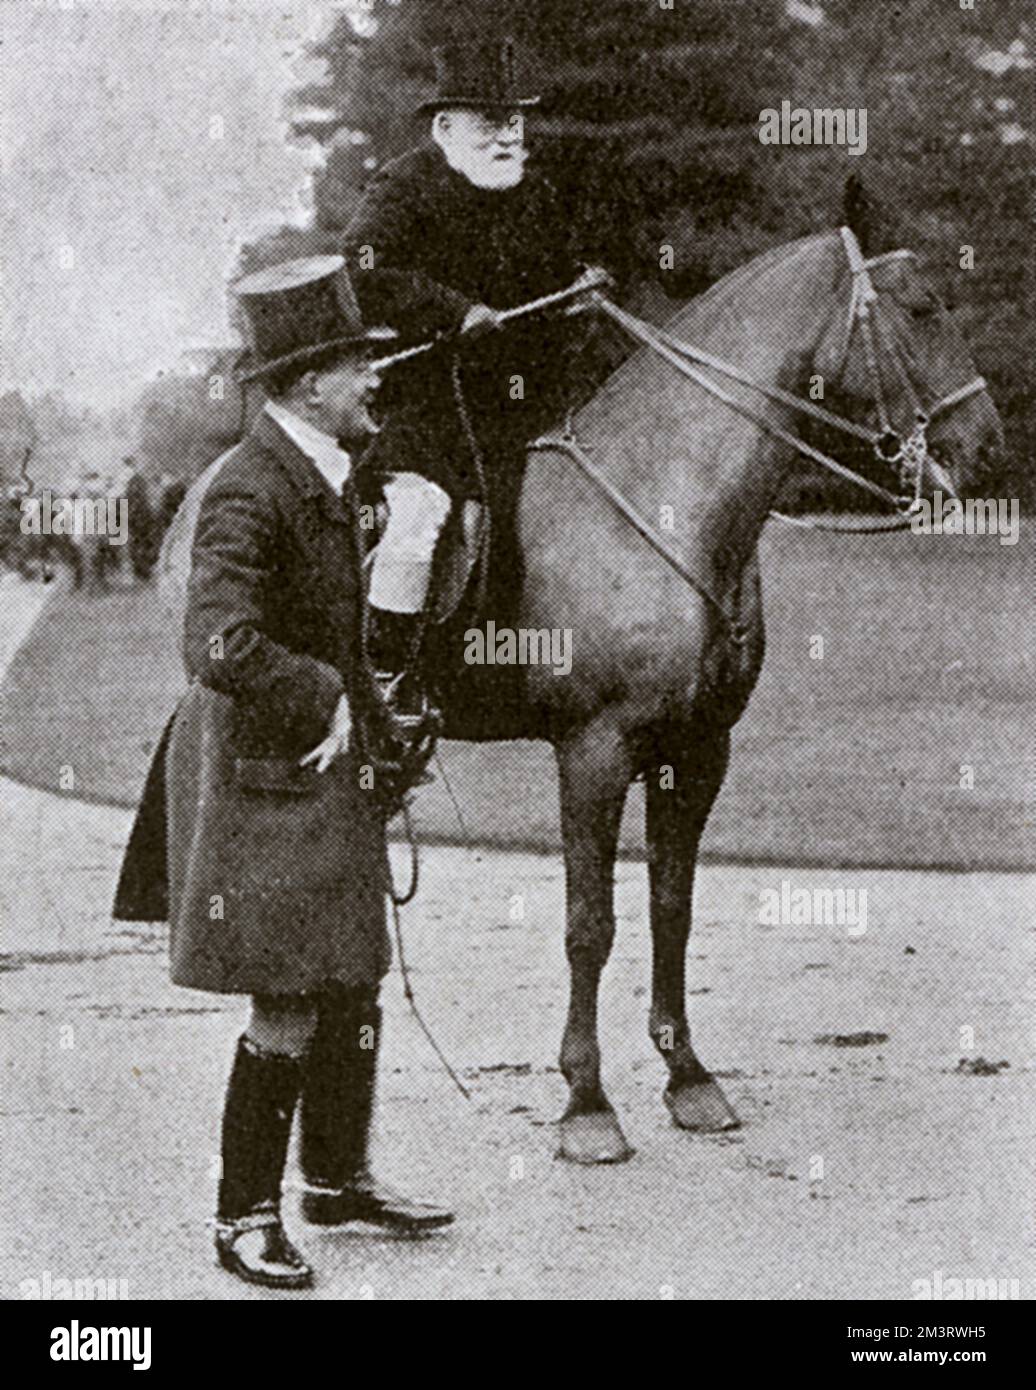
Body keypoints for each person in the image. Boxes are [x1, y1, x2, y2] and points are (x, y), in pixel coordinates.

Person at [113, 256, 452, 1291]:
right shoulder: (252, 487)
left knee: (351, 971)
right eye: (357, 367)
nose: (372, 382)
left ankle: (336, 1179)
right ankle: (242, 1214)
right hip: (263, 770)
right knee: (289, 1000)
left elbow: (337, 628)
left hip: (316, 764)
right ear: (308, 383)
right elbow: (216, 645)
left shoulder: (324, 471)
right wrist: (330, 697)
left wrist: (379, 713)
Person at [344, 37, 610, 721]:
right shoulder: (403, 185)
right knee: (419, 516)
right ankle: (386, 681)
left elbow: (556, 284)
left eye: (515, 122)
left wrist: (579, 293)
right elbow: (364, 271)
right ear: (445, 127)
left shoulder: (537, 192)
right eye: (491, 123)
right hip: (427, 408)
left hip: (531, 412)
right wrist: (452, 312)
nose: (508, 137)